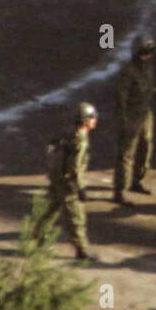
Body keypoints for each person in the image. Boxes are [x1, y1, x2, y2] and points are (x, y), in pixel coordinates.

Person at [36, 102, 99, 261]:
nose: (95, 120)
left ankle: (38, 239)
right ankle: (82, 251)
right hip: (68, 183)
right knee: (76, 218)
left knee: (49, 211)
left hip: (57, 178)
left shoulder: (70, 132)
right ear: (85, 120)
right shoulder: (81, 140)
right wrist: (80, 187)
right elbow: (75, 167)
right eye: (92, 117)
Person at [113, 35, 156, 206]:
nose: (147, 55)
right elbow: (120, 97)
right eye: (144, 52)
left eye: (149, 52)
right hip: (131, 114)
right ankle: (120, 190)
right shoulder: (128, 71)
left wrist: (155, 93)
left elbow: (148, 85)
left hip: (145, 113)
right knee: (126, 153)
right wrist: (123, 119)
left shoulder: (148, 68)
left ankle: (136, 181)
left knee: (146, 146)